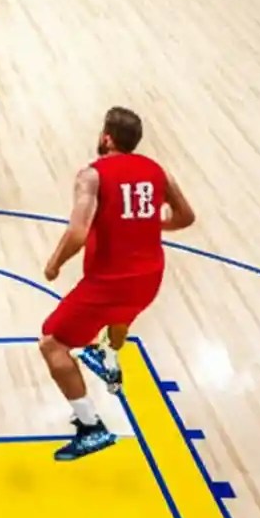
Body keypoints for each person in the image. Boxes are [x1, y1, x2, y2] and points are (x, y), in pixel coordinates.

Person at [39, 107, 196, 462]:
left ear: (106, 138)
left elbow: (78, 232)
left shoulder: (92, 176)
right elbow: (186, 217)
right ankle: (108, 357)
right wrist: (151, 227)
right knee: (121, 316)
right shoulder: (157, 172)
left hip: (109, 282)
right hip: (150, 278)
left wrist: (54, 264)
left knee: (52, 344)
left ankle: (90, 427)